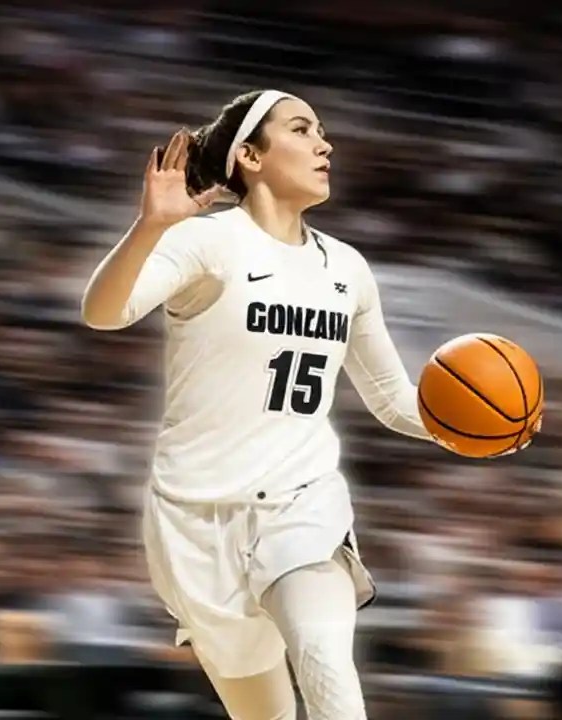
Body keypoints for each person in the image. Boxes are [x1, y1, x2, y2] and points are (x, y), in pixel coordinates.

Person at [82, 90, 521, 720]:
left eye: (322, 130)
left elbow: (396, 401)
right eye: (303, 129)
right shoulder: (208, 243)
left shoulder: (347, 268)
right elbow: (103, 313)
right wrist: (151, 227)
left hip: (300, 500)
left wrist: (483, 430)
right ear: (251, 156)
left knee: (326, 662)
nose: (326, 143)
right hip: (193, 517)